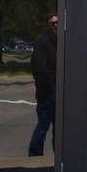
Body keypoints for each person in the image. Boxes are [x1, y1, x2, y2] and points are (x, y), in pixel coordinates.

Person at [28, 13, 58, 157]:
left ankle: (60, 156)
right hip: (47, 93)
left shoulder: (60, 41)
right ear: (48, 24)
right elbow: (39, 68)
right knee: (42, 127)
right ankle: (34, 156)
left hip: (59, 91)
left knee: (59, 128)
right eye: (53, 23)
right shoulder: (42, 42)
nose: (56, 25)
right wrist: (50, 86)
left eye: (58, 22)